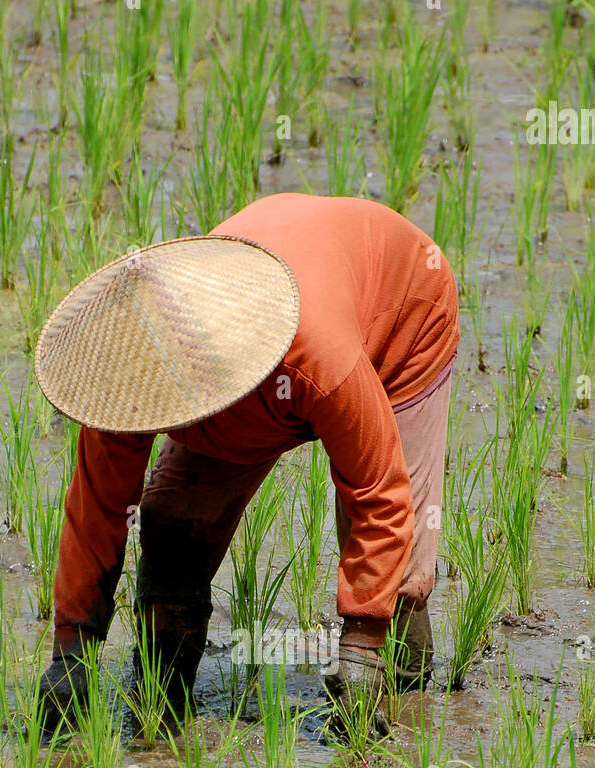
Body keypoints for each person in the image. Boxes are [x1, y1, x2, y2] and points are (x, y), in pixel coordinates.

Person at [34, 192, 459, 732]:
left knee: (391, 576)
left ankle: (402, 704)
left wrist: (359, 644)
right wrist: (71, 652)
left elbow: (380, 491)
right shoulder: (124, 376)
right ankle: (161, 705)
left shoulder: (314, 353)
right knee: (172, 530)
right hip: (262, 364)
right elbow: (98, 511)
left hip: (403, 313)